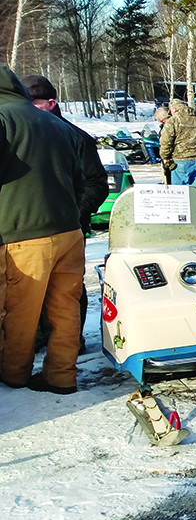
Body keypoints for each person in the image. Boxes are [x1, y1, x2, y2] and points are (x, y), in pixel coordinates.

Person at [0, 66, 85, 394]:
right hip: (69, 231)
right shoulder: (57, 124)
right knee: (65, 307)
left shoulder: (5, 120)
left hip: (22, 235)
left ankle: (13, 375)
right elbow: (78, 179)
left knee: (19, 312)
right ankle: (62, 375)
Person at [23, 75, 107, 354]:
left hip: (69, 228)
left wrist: (72, 215)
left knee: (68, 288)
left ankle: (72, 339)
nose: (29, 109)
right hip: (31, 229)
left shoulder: (76, 138)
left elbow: (97, 184)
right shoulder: (23, 137)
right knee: (31, 286)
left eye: (34, 104)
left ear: (51, 103)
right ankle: (36, 336)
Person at [159, 98, 196, 187]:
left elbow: (165, 142)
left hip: (181, 161)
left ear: (174, 109)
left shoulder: (173, 121)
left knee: (180, 193)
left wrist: (165, 158)